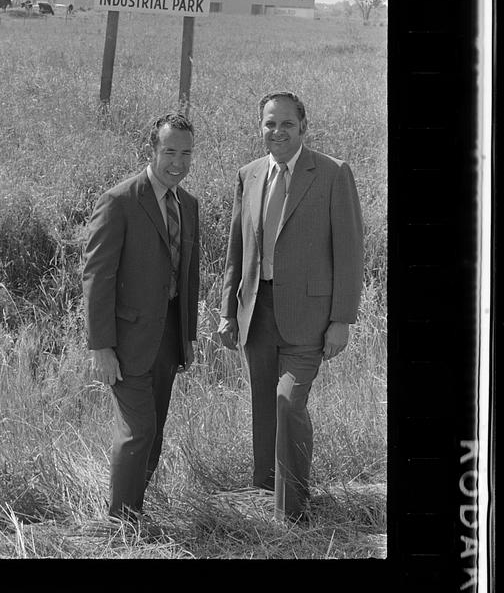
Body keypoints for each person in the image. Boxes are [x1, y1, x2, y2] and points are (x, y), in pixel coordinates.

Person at [217, 91, 364, 523]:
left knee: (288, 403)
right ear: (260, 127)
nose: (277, 131)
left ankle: (293, 509)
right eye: (269, 123)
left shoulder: (334, 174)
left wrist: (342, 319)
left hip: (309, 319)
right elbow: (237, 249)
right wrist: (229, 310)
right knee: (264, 403)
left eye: (285, 124)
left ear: (303, 127)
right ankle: (266, 491)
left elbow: (350, 253)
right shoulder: (249, 174)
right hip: (257, 312)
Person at [83, 112, 199, 522]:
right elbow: (97, 276)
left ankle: (135, 509)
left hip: (168, 338)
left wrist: (188, 337)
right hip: (127, 341)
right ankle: (121, 523)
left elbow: (188, 273)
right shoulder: (119, 201)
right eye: (169, 152)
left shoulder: (188, 204)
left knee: (154, 436)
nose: (178, 163)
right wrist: (101, 345)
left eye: (186, 154)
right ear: (152, 150)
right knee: (138, 433)